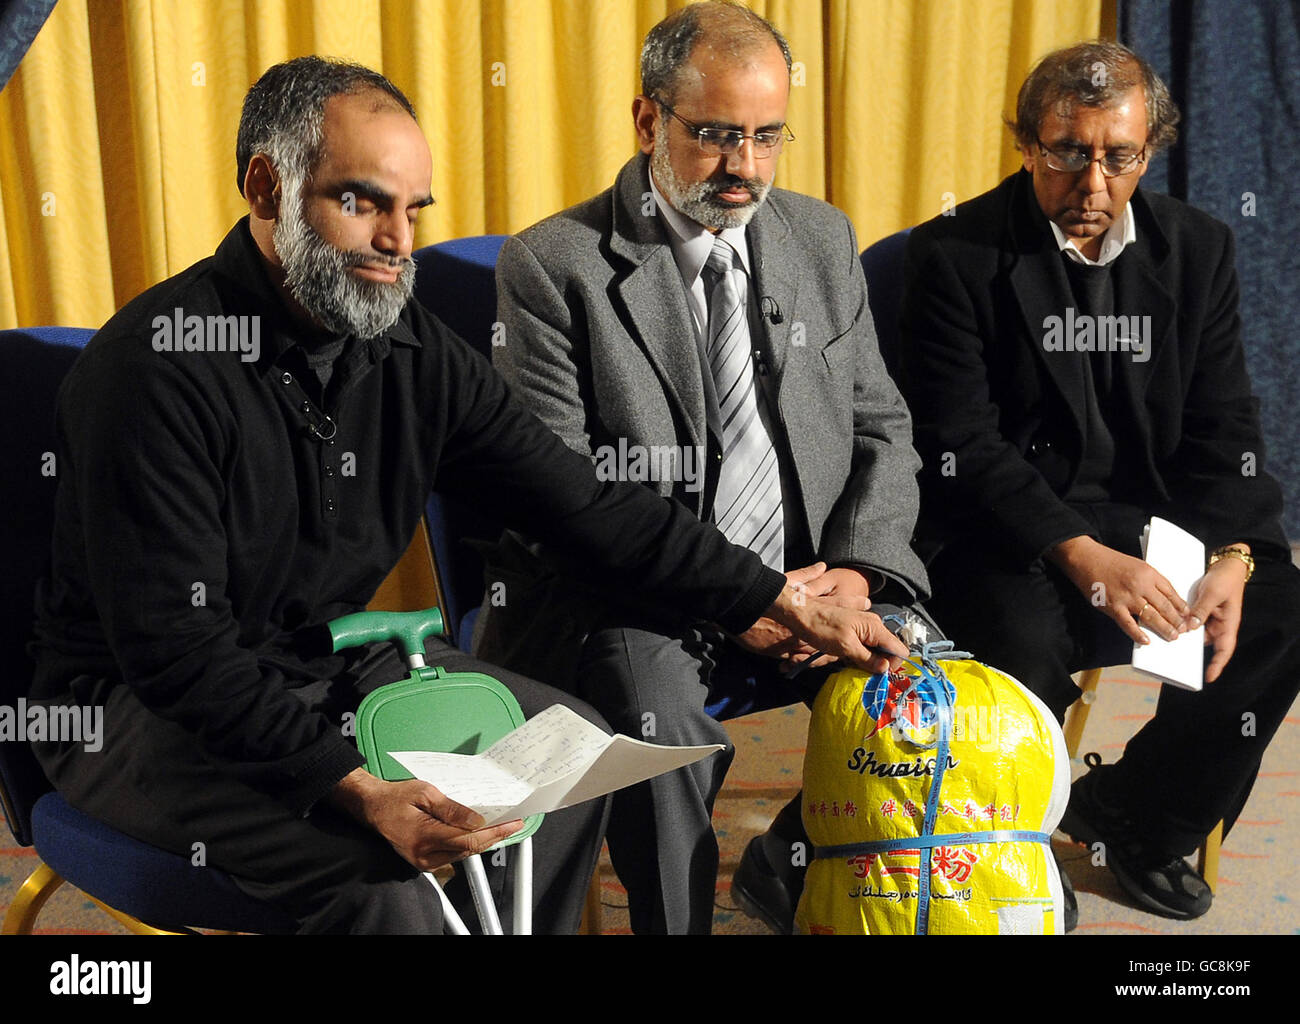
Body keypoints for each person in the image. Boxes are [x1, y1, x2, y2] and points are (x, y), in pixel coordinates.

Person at [27, 56, 908, 935]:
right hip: (137, 711)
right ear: (267, 186)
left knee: (563, 764)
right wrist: (357, 786)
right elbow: (178, 653)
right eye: (362, 202)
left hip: (324, 661)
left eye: (413, 212)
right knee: (382, 880)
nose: (397, 243)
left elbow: (585, 506)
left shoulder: (408, 348)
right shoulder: (154, 370)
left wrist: (779, 599)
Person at [475, 0, 929, 934]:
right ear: (649, 121)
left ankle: (797, 870)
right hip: (638, 592)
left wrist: (856, 572)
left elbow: (881, 423)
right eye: (718, 137)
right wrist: (752, 599)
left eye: (768, 137)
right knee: (665, 740)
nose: (747, 169)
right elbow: (571, 502)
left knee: (935, 694)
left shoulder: (820, 238)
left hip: (814, 576)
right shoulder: (553, 266)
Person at [898, 39, 1300, 921]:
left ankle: (1141, 816)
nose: (1092, 185)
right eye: (1066, 153)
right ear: (1025, 143)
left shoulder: (1199, 249)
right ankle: (1006, 851)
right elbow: (960, 443)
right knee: (1020, 643)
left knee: (1277, 609)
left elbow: (1224, 429)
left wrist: (1232, 554)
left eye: (1118, 157)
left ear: (1148, 150)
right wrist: (1079, 554)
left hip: (1147, 520)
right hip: (1005, 531)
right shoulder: (953, 256)